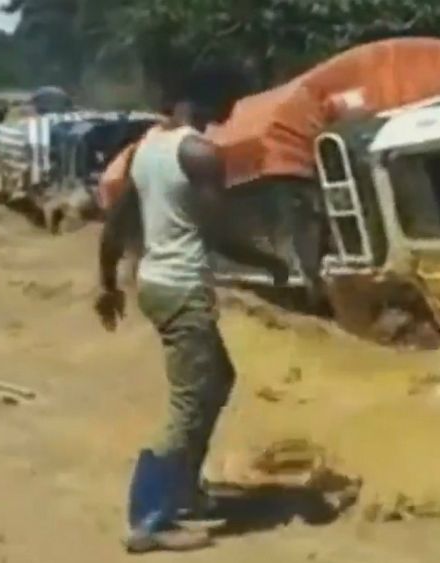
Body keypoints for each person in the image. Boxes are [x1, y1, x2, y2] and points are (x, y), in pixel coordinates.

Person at [95, 63, 289, 553]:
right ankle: (150, 518)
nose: (223, 120)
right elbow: (218, 231)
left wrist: (107, 283)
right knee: (188, 403)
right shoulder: (199, 153)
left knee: (217, 380)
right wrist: (273, 262)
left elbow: (116, 221)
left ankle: (184, 490)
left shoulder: (144, 150)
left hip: (154, 283)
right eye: (224, 108)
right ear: (206, 103)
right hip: (181, 289)